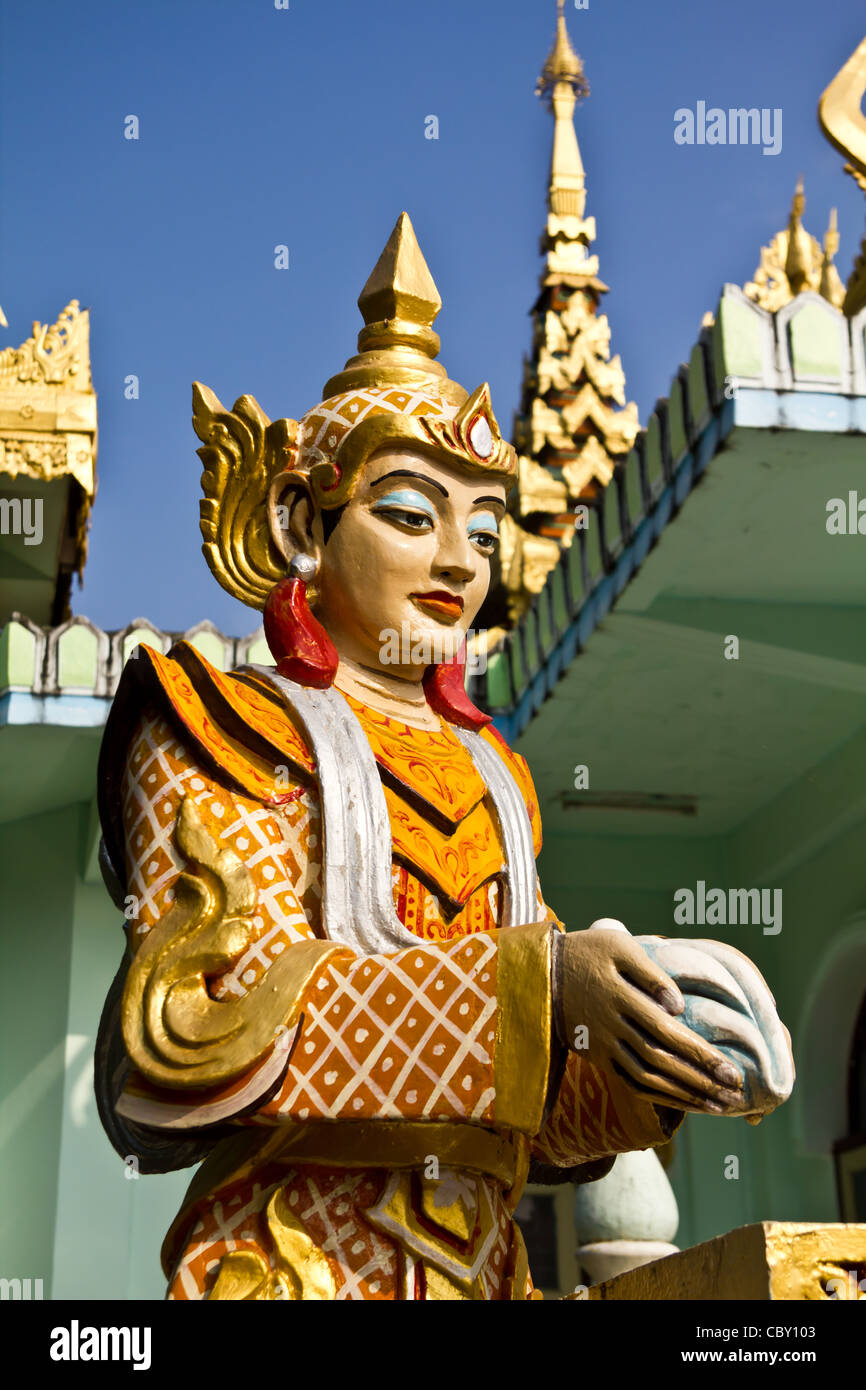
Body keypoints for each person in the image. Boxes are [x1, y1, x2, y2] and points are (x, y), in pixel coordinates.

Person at [95, 213, 792, 1301]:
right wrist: (540, 983)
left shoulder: (492, 780)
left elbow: (544, 1116)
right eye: (411, 513)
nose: (458, 561)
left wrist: (649, 1051)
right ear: (299, 524)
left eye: (482, 526)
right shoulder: (211, 725)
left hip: (486, 1262)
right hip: (290, 1256)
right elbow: (208, 1020)